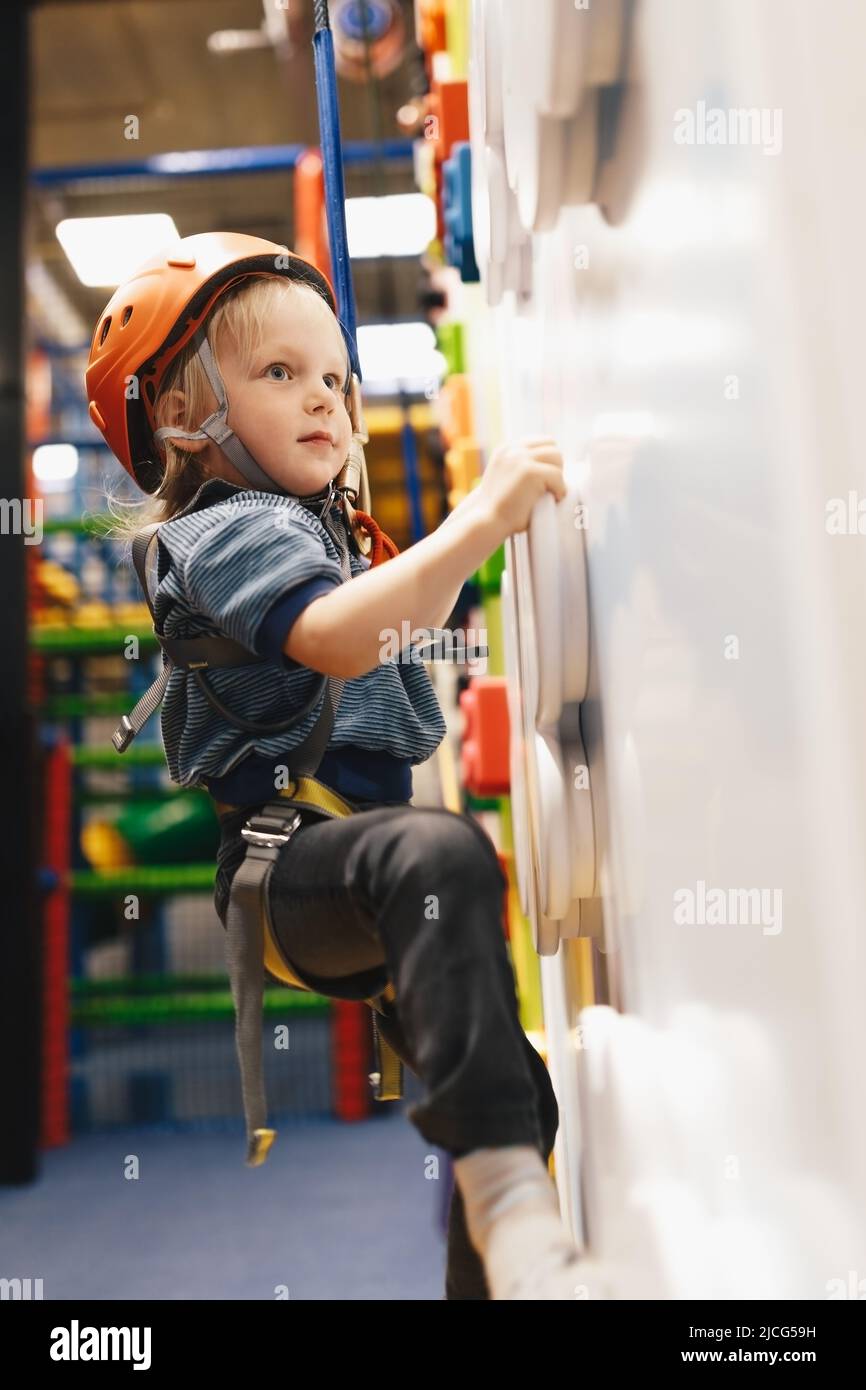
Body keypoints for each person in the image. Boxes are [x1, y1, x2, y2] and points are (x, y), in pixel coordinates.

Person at [85, 230, 592, 1299]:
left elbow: (394, 623)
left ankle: (504, 1262)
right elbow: (336, 639)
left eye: (333, 378)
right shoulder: (218, 533)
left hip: (349, 870)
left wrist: (428, 560)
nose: (324, 400)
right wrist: (479, 520)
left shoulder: (316, 533)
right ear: (183, 419)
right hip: (285, 871)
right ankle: (508, 1209)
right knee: (433, 853)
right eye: (279, 374)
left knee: (519, 1092)